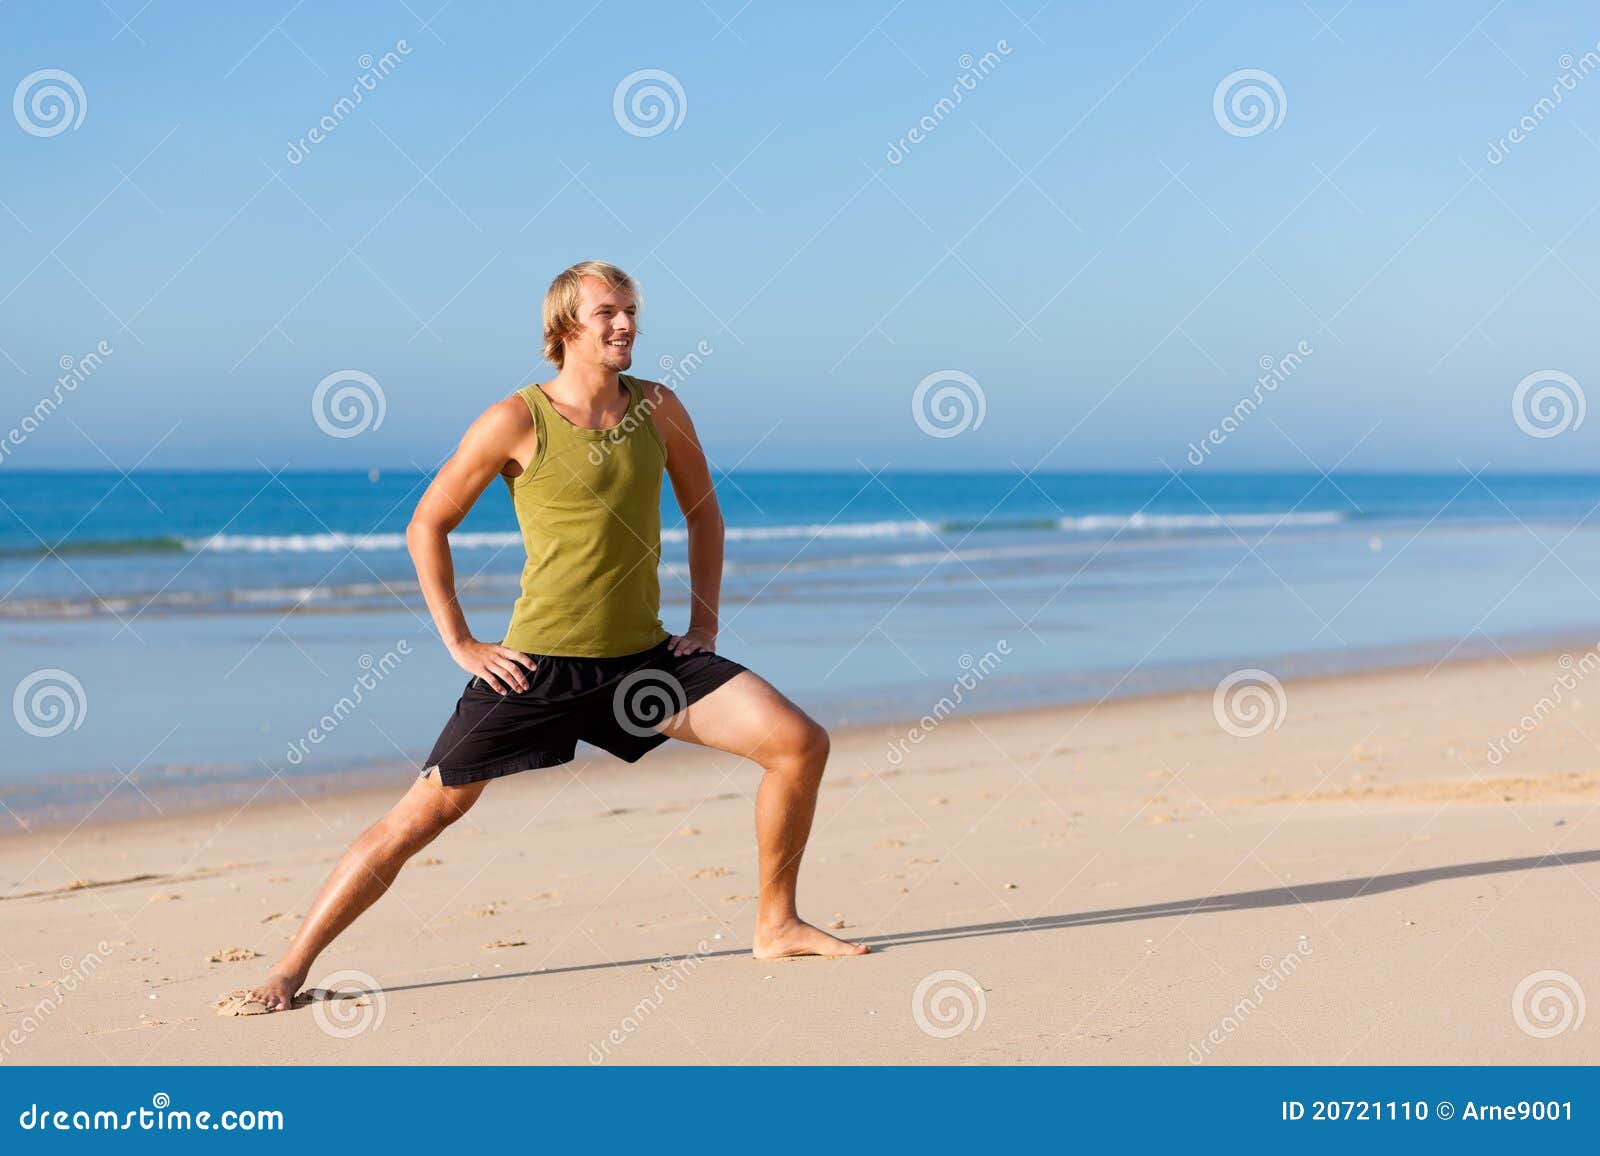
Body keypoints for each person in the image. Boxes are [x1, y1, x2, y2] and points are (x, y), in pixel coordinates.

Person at [247, 261, 865, 1012]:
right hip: (537, 671)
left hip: (643, 667)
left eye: (631, 310)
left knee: (799, 743)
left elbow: (704, 512)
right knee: (423, 815)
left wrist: (704, 622)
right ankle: (289, 969)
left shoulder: (659, 406)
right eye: (608, 312)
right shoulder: (515, 419)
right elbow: (426, 524)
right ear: (566, 326)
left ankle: (776, 924)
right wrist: (461, 641)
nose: (626, 324)